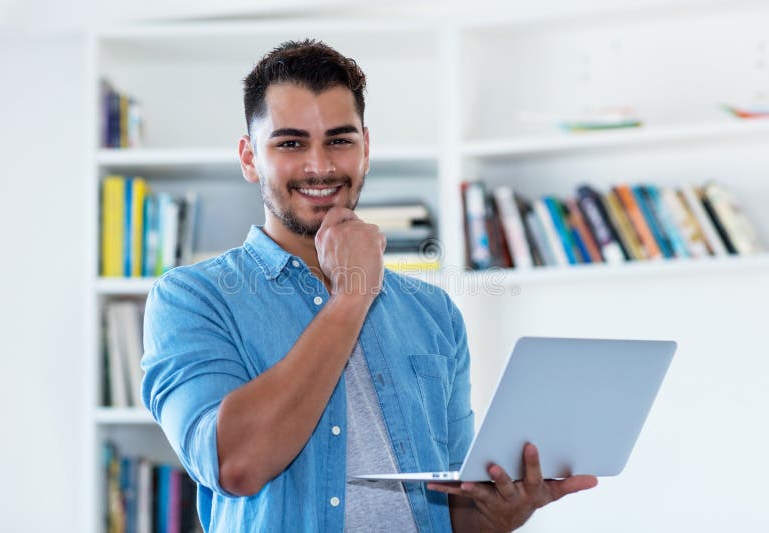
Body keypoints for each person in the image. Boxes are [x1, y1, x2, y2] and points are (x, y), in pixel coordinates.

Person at [141, 39, 597, 532]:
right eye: (290, 143)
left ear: (366, 148)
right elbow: (235, 464)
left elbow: (453, 511)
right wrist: (352, 295)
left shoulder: (433, 311)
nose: (320, 165)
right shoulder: (191, 299)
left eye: (339, 140)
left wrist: (504, 512)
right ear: (249, 158)